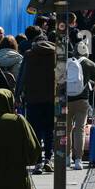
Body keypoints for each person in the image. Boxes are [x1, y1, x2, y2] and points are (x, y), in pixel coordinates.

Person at [17, 29, 57, 173]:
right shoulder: (55, 54)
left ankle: (38, 162)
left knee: (35, 131)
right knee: (49, 130)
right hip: (52, 98)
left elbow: (22, 77)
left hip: (33, 99)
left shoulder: (29, 54)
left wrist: (17, 95)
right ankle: (48, 159)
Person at [67, 46, 95, 170]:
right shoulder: (89, 63)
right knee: (79, 129)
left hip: (66, 100)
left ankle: (66, 158)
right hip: (82, 100)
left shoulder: (67, 62)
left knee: (67, 129)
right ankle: (78, 160)